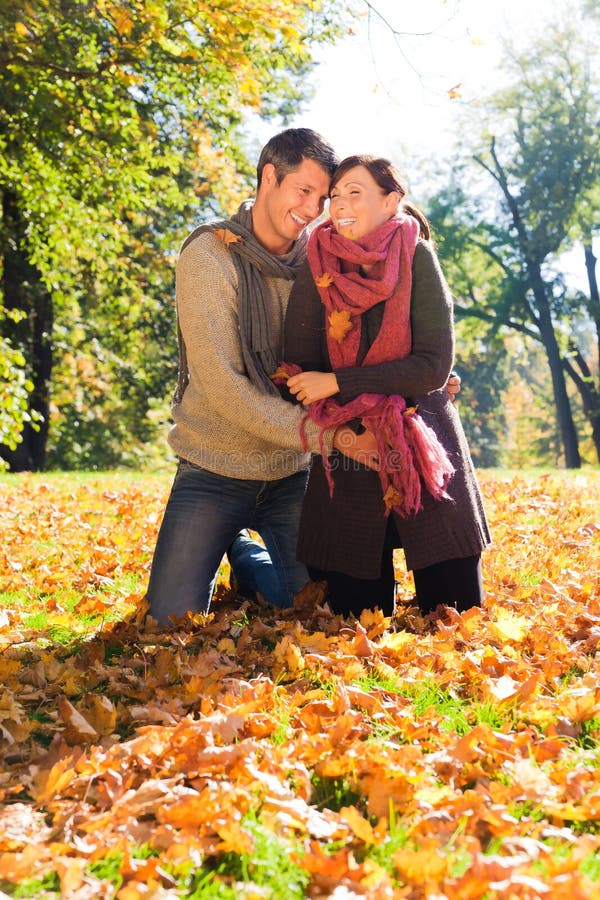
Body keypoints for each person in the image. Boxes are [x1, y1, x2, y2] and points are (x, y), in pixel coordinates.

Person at [147, 130, 462, 625]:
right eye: (305, 191)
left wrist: (425, 374)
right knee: (166, 624)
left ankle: (249, 564)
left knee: (310, 607)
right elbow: (224, 387)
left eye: (324, 196)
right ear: (269, 177)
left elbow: (376, 332)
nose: (315, 208)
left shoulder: (321, 257)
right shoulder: (210, 257)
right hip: (217, 468)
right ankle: (227, 539)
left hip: (294, 470)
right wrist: (332, 437)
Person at [280, 154, 491, 620]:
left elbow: (433, 367)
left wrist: (339, 380)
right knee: (354, 621)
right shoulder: (316, 265)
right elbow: (297, 370)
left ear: (391, 200)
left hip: (423, 443)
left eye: (355, 192)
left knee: (455, 615)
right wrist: (346, 430)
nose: (340, 203)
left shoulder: (417, 255)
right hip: (352, 450)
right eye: (335, 195)